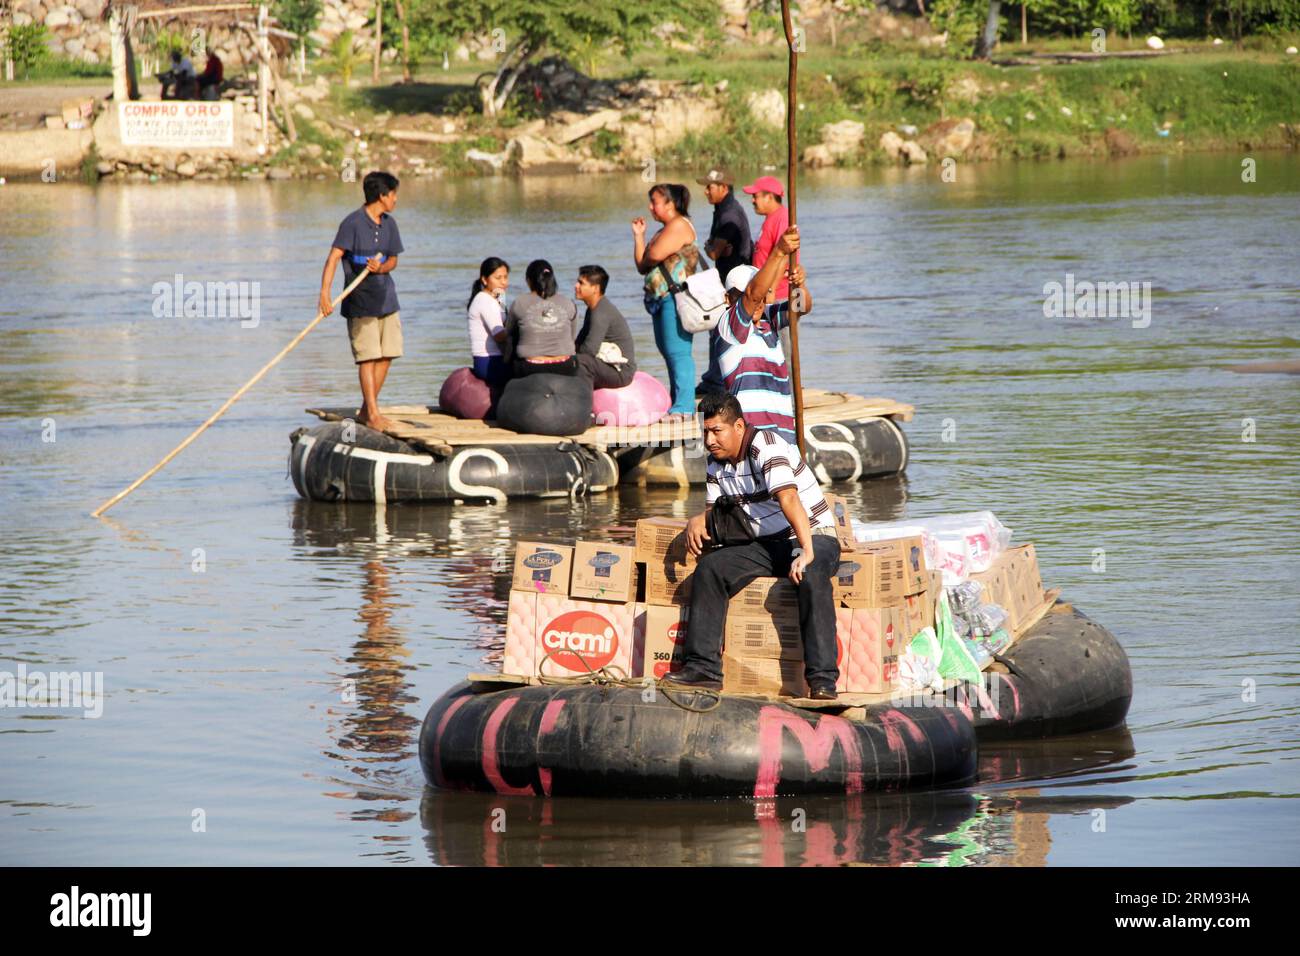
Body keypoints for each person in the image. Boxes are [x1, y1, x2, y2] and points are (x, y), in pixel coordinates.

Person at [660, 391, 841, 700]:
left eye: (717, 431)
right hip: (767, 544)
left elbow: (789, 499)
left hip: (812, 535)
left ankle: (822, 680)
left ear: (739, 427)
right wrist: (697, 520)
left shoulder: (766, 448)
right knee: (712, 568)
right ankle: (703, 669)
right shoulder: (716, 464)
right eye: (705, 431)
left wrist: (806, 552)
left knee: (810, 574)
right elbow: (715, 512)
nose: (709, 440)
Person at [319, 170, 405, 433]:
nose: (396, 200)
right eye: (393, 195)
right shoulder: (352, 224)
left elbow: (393, 259)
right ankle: (373, 414)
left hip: (387, 300)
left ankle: (368, 409)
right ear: (382, 196)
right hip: (360, 302)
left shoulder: (389, 224)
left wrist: (381, 267)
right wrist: (325, 293)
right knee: (367, 357)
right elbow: (334, 258)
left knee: (388, 354)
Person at [715, 225, 812, 447]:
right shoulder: (729, 327)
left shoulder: (769, 319)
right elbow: (753, 293)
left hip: (783, 436)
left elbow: (802, 305)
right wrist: (779, 252)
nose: (757, 302)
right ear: (728, 300)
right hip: (753, 440)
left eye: (761, 295)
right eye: (741, 295)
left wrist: (800, 284)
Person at [632, 183, 699, 423]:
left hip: (676, 296)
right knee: (667, 350)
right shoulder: (663, 230)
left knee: (678, 351)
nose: (650, 207)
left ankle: (684, 407)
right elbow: (642, 265)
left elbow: (654, 256)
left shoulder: (679, 225)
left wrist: (649, 248)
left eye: (655, 202)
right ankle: (677, 402)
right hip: (661, 298)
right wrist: (639, 237)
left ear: (670, 204)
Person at [696, 166, 754, 397]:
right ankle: (715, 379)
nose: (706, 192)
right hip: (729, 282)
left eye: (709, 187)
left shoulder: (729, 214)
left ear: (723, 187)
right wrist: (715, 246)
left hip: (736, 284)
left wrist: (712, 246)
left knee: (724, 330)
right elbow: (716, 248)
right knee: (719, 329)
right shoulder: (722, 209)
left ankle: (719, 382)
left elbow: (713, 252)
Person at [504, 260, 579, 378]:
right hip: (566, 366)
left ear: (528, 281)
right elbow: (572, 337)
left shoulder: (520, 302)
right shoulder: (569, 303)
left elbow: (508, 332)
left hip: (531, 367)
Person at [572, 264, 637, 391]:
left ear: (595, 288)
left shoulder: (601, 312)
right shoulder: (593, 309)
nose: (576, 286)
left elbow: (589, 351)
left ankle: (584, 404)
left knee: (582, 361)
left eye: (581, 283)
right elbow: (579, 344)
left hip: (621, 372)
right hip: (607, 366)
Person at [743, 175, 791, 303]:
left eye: (755, 196)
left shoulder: (782, 218)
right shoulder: (771, 218)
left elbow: (784, 255)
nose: (752, 200)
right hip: (764, 290)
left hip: (779, 295)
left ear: (769, 197)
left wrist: (771, 289)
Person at [466, 256, 510, 390]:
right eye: (498, 278)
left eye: (505, 277)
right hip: (489, 361)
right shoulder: (485, 300)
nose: (503, 282)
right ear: (485, 280)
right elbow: (499, 335)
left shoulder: (498, 298)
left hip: (494, 358)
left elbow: (505, 323)